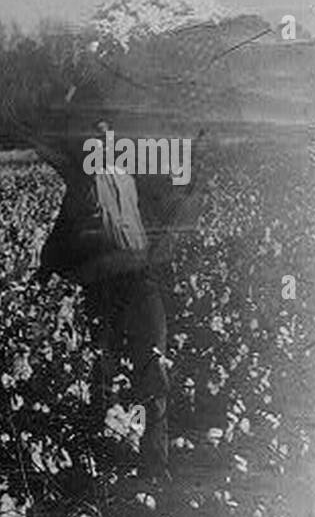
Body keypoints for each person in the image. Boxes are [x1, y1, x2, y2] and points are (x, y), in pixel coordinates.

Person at [35, 121, 205, 481]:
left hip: (131, 280)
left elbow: (171, 201)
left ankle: (144, 459)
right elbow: (63, 230)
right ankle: (121, 451)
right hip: (114, 283)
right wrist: (46, 268)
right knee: (117, 365)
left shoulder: (127, 176)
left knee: (138, 366)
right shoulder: (92, 182)